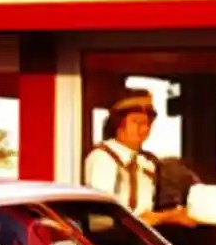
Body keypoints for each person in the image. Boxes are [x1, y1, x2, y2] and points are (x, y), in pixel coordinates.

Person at [83, 88, 193, 228]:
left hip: (142, 240)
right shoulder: (103, 158)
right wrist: (163, 217)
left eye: (148, 124)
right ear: (119, 123)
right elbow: (99, 219)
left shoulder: (148, 162)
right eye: (137, 122)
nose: (144, 129)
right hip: (111, 241)